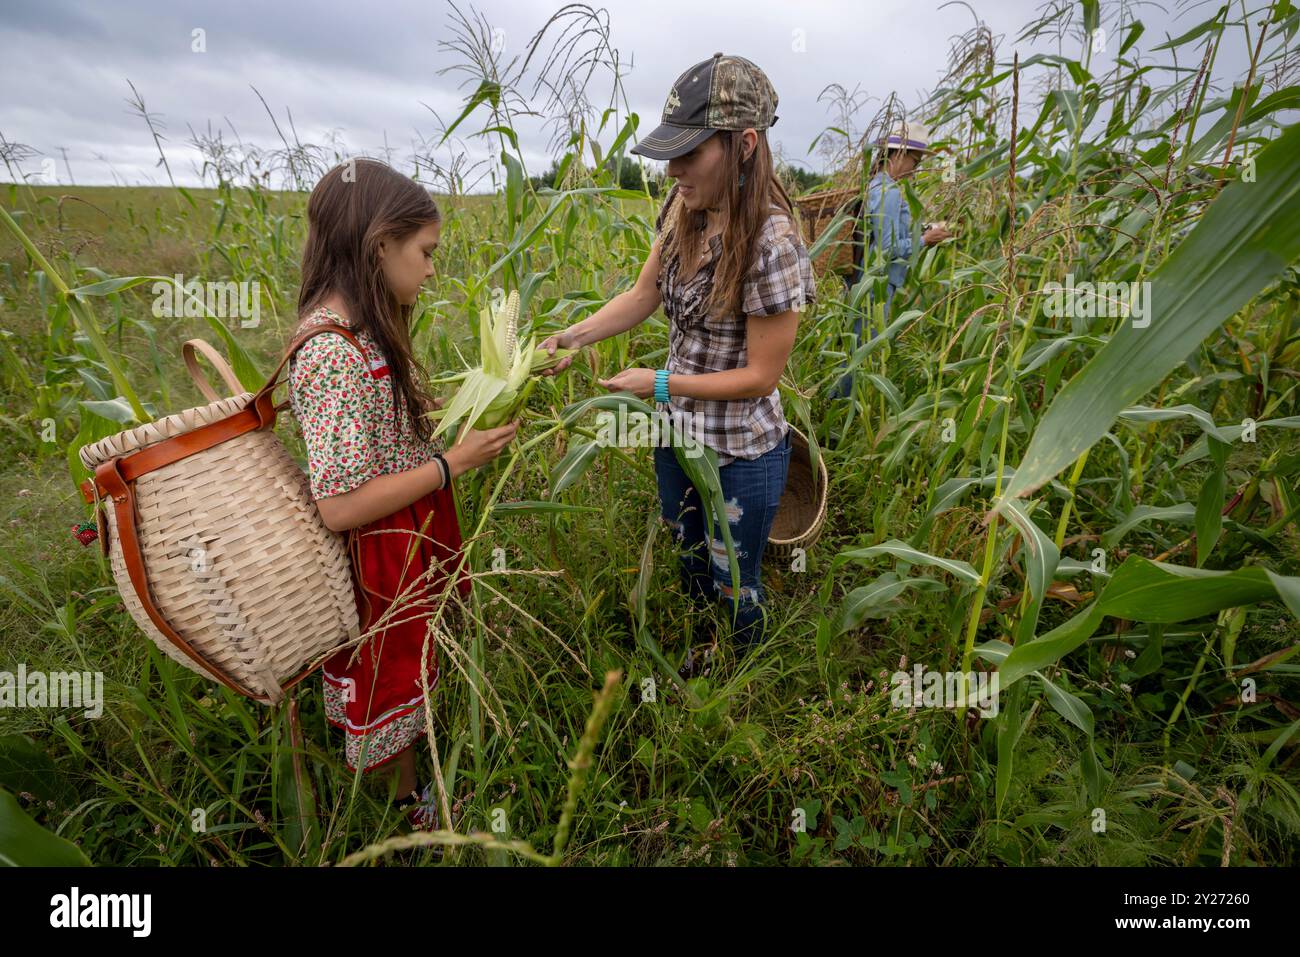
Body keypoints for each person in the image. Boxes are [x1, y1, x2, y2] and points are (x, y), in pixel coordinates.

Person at [540, 53, 816, 656]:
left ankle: (736, 675)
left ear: (744, 145)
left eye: (688, 155)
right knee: (690, 554)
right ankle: (699, 640)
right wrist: (574, 337)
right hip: (677, 436)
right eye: (669, 154)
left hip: (739, 451)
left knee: (734, 580)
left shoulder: (773, 244)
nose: (671, 171)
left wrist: (661, 384)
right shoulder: (681, 212)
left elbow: (762, 376)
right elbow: (644, 294)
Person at [287, 159, 519, 828]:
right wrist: (452, 464)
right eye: (425, 252)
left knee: (411, 670)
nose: (431, 269)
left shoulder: (366, 330)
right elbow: (339, 504)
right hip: (379, 554)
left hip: (407, 529)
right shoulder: (331, 353)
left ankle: (419, 784)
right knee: (391, 677)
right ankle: (409, 806)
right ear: (379, 242)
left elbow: (390, 430)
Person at [833, 120, 953, 399]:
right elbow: (886, 250)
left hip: (864, 280)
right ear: (898, 155)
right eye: (915, 160)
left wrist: (922, 231)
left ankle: (837, 412)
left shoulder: (877, 186)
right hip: (874, 285)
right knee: (859, 352)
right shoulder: (889, 193)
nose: (916, 168)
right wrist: (925, 240)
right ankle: (837, 416)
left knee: (854, 349)